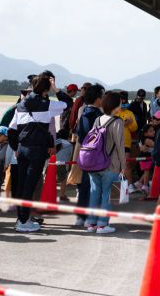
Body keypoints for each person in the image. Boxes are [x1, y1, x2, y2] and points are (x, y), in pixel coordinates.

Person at [7, 74, 67, 233]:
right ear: (46, 89)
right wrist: (56, 89)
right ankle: (24, 221)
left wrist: (16, 148)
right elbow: (68, 103)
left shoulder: (21, 105)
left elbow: (11, 130)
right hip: (37, 150)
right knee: (30, 186)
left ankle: (21, 218)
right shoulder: (47, 104)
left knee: (21, 185)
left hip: (22, 149)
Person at [84, 90, 126, 234]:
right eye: (120, 103)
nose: (122, 105)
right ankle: (102, 225)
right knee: (107, 195)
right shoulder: (118, 122)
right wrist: (123, 166)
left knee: (94, 193)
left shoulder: (98, 119)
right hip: (110, 164)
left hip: (94, 163)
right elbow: (120, 146)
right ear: (115, 105)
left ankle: (91, 223)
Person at [72, 84, 104, 226]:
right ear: (98, 99)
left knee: (85, 185)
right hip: (96, 155)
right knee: (95, 186)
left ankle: (81, 216)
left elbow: (80, 135)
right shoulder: (98, 116)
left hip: (84, 153)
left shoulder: (84, 112)